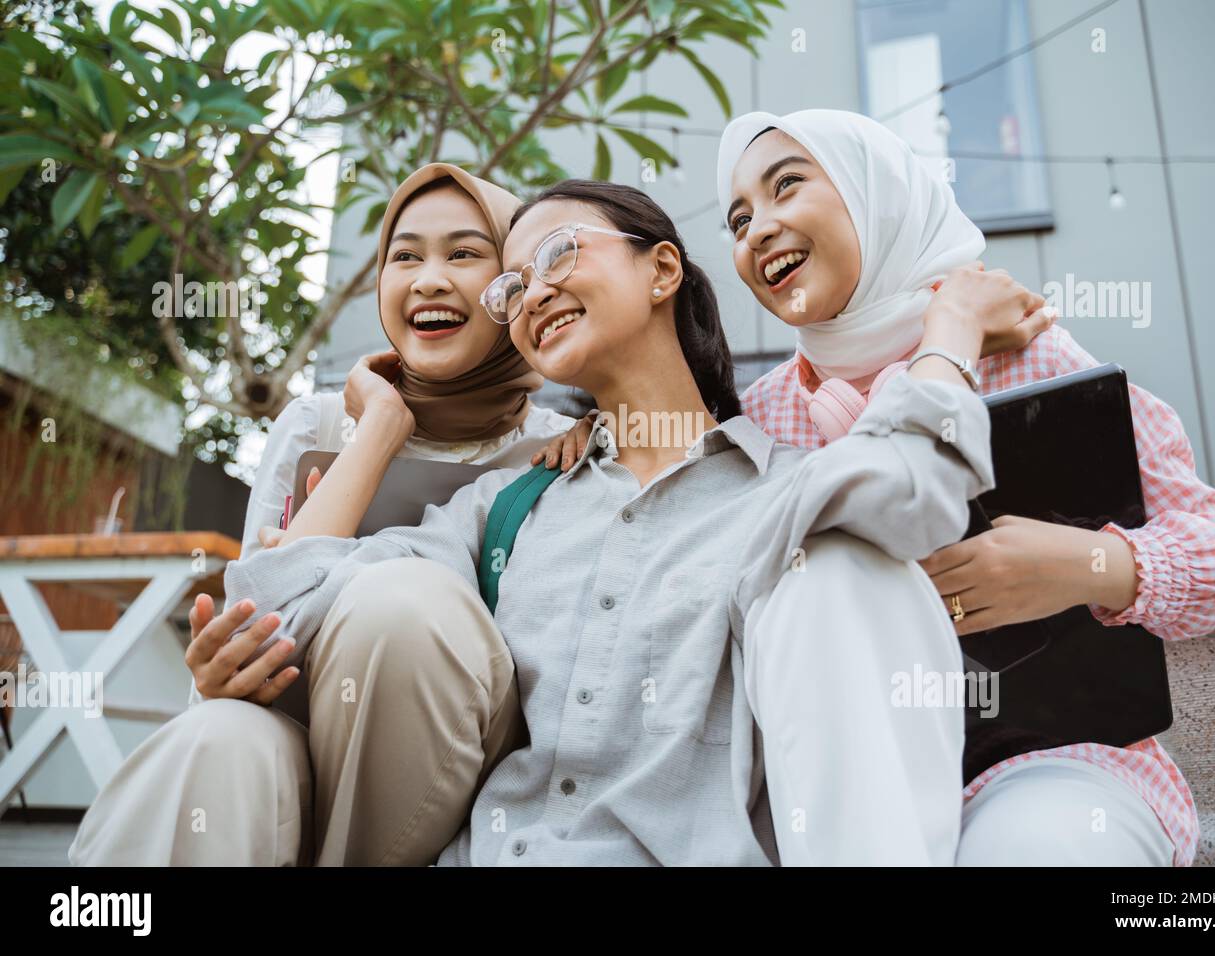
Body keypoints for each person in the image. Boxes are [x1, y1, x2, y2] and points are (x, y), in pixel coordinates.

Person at [81, 178, 1038, 866]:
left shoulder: (778, 490)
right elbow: (281, 601)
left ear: (662, 269)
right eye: (512, 288)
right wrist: (379, 428)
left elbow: (914, 490)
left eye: (554, 255)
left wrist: (949, 331)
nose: (528, 292)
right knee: (236, 728)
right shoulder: (507, 507)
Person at [716, 108, 1215, 866]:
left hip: (1051, 767)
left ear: (878, 193)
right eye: (738, 219)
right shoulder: (759, 414)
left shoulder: (1033, 354)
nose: (757, 230)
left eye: (787, 186)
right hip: (848, 791)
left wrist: (1083, 566)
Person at [69, 163, 570, 865]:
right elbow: (257, 614)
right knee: (211, 741)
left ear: (513, 286)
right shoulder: (316, 425)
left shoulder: (562, 447)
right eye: (404, 256)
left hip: (467, 762)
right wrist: (380, 427)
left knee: (402, 603)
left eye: (463, 253)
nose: (428, 278)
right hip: (300, 735)